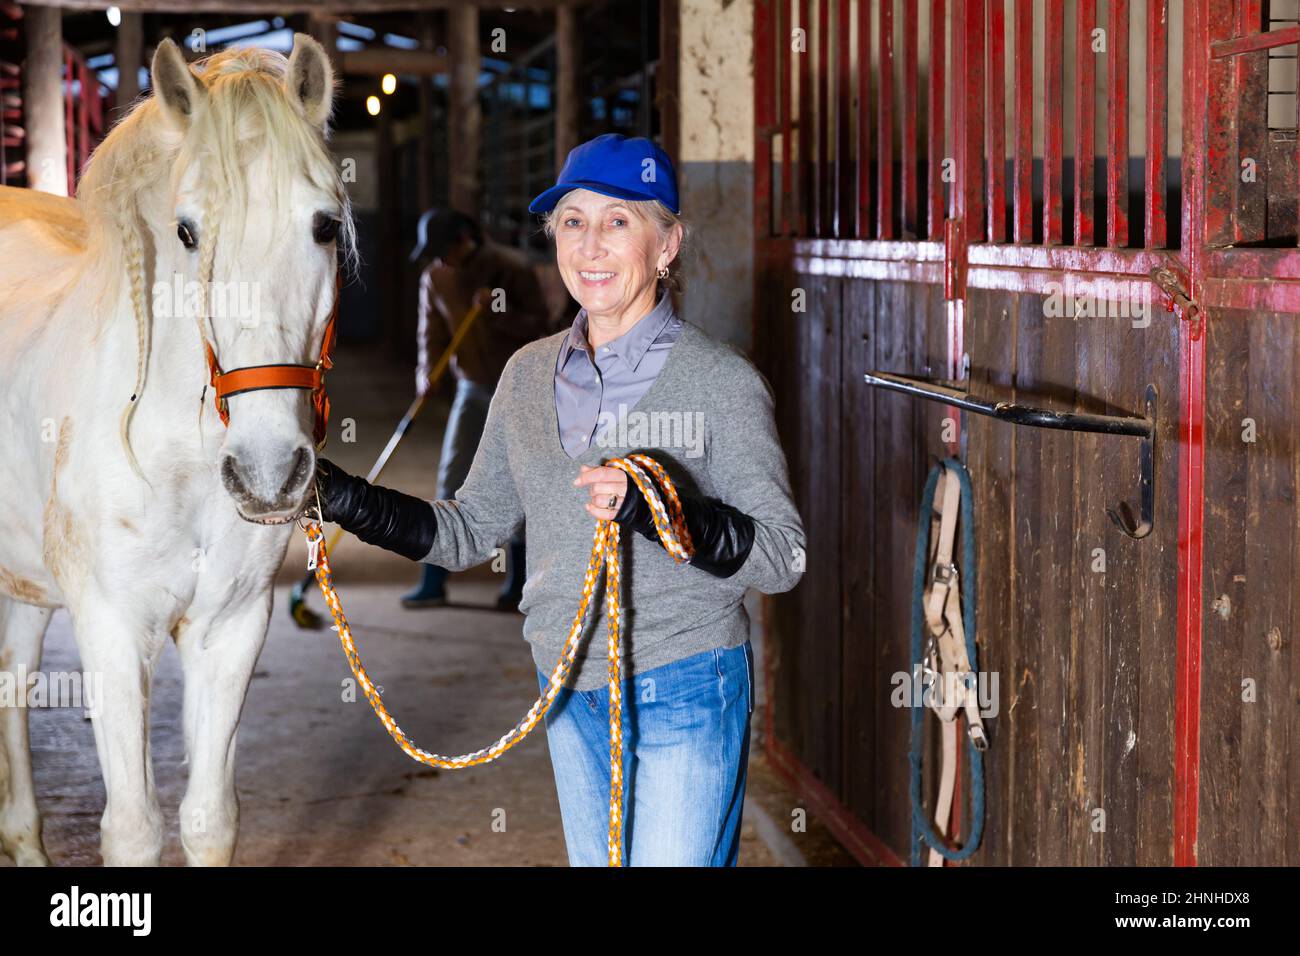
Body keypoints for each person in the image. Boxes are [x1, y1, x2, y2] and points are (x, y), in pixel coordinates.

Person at [314, 133, 805, 866]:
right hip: (567, 685)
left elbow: (781, 556)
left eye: (619, 221)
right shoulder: (524, 375)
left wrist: (664, 508)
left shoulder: (721, 383)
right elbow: (468, 532)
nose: (591, 245)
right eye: (573, 222)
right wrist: (345, 498)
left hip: (685, 682)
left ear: (667, 245)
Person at [405, 208, 549, 611]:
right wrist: (426, 373)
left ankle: (518, 583)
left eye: (441, 251)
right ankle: (434, 580)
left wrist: (496, 312)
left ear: (460, 240)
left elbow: (539, 324)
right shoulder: (435, 277)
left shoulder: (508, 268)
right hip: (470, 388)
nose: (438, 259)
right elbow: (429, 331)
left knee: (517, 479)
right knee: (451, 475)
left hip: (517, 390)